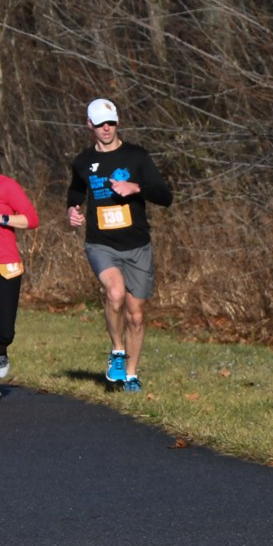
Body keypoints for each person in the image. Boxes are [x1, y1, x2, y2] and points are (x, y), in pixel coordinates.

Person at [66, 98, 174, 392]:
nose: (106, 128)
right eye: (100, 123)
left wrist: (135, 187)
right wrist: (72, 209)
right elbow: (76, 189)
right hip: (101, 243)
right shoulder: (83, 161)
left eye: (110, 122)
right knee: (114, 294)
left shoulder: (136, 156)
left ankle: (132, 374)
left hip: (137, 245)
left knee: (136, 315)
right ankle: (116, 351)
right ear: (89, 125)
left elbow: (165, 196)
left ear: (117, 123)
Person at [0, 136, 39, 404]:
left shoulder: (6, 186)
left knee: (4, 329)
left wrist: (1, 218)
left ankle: (2, 348)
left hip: (7, 265)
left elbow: (32, 219)